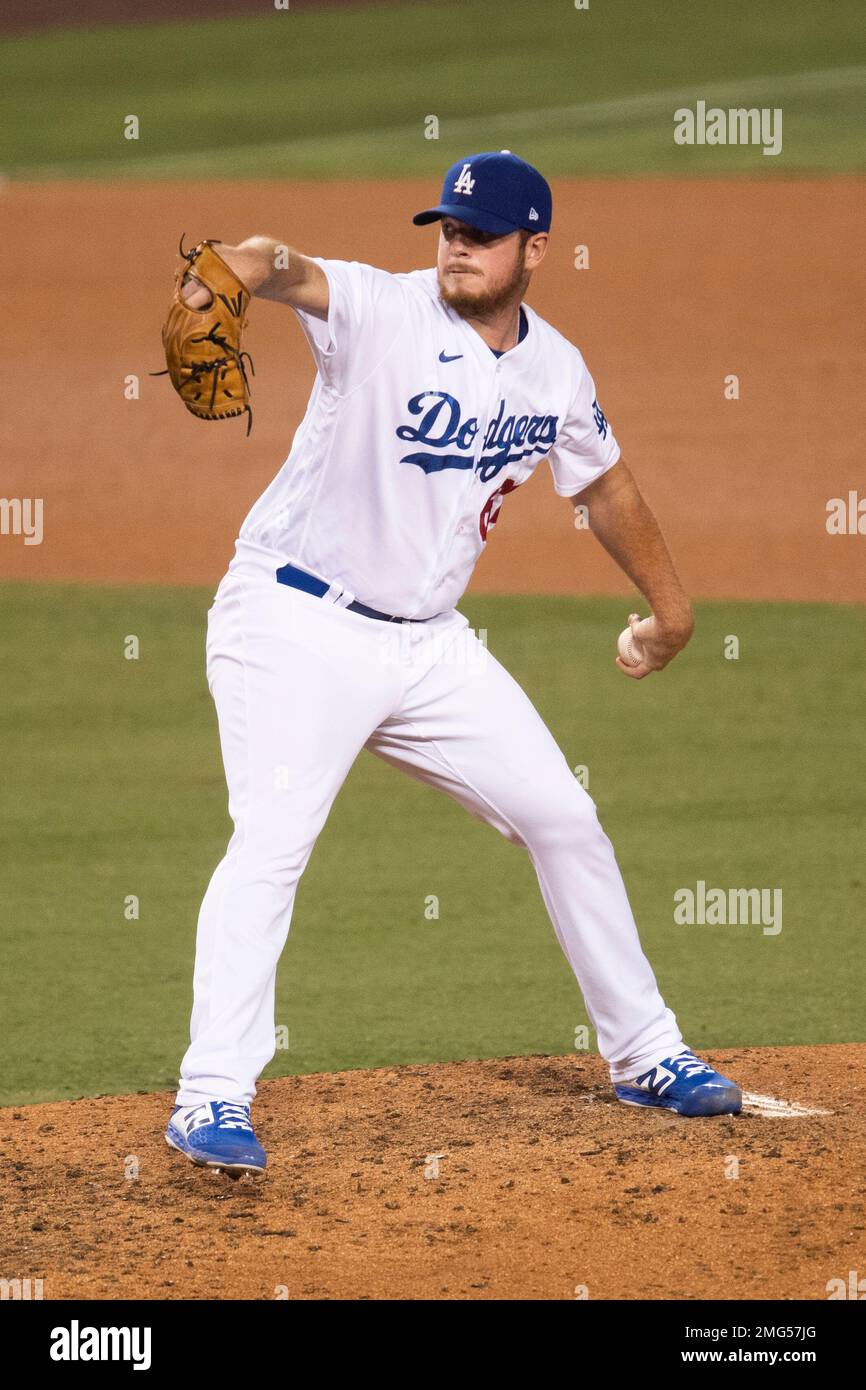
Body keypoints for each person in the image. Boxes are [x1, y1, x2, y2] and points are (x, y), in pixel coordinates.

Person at [164, 151, 741, 1177]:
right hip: (294, 622)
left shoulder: (553, 367)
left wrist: (670, 610)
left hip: (429, 646)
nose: (456, 247)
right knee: (273, 838)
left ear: (535, 250)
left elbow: (601, 485)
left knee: (563, 816)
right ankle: (211, 1093)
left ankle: (644, 1051)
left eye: (479, 234)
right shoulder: (381, 310)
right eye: (447, 229)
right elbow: (277, 264)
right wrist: (228, 272)